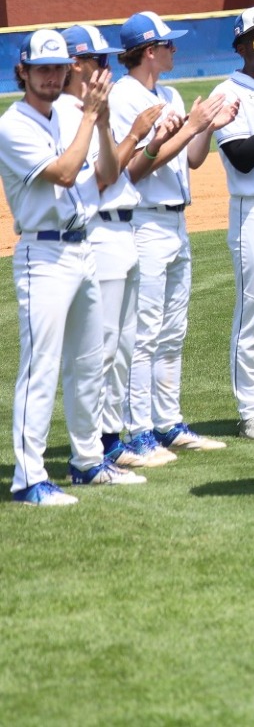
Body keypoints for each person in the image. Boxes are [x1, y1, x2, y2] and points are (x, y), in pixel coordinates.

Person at [1, 30, 124, 504]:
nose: (52, 76)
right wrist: (91, 116)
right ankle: (29, 479)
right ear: (24, 73)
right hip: (43, 254)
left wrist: (106, 123)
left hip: (81, 247)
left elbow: (108, 175)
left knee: (89, 362)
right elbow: (68, 173)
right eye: (42, 69)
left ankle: (88, 462)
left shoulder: (69, 116)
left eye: (59, 68)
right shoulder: (13, 125)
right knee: (41, 368)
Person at [111, 10, 237, 455]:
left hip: (176, 222)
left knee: (173, 329)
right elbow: (138, 170)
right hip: (144, 221)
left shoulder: (169, 93)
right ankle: (138, 429)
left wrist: (208, 131)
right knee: (143, 332)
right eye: (168, 44)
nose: (174, 50)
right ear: (149, 51)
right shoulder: (125, 97)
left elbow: (192, 159)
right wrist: (191, 127)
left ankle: (168, 423)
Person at [62, 26, 168, 473]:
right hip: (98, 233)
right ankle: (90, 450)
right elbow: (104, 176)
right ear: (74, 65)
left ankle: (110, 438)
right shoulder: (68, 115)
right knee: (100, 350)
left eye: (107, 60)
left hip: (123, 232)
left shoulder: (91, 112)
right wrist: (136, 133)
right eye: (96, 61)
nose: (105, 68)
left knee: (122, 347)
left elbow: (114, 168)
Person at [198, 7, 254, 440]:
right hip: (253, 209)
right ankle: (252, 409)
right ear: (239, 48)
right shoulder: (226, 92)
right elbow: (243, 158)